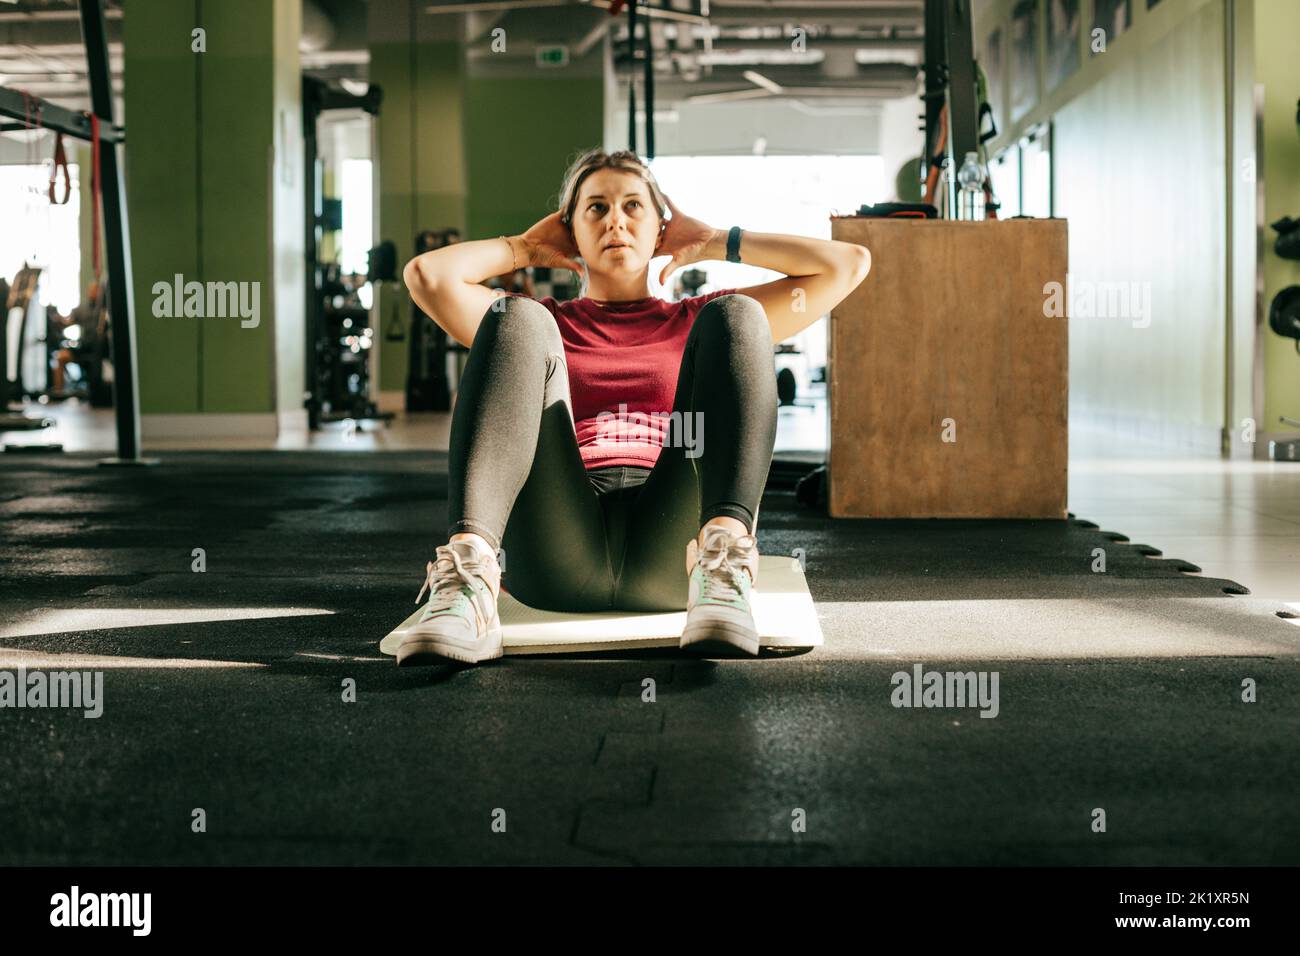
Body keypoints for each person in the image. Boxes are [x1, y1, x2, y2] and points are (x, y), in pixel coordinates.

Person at [400, 147, 870, 665]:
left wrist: (716, 241)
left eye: (633, 207)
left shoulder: (696, 321)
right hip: (557, 547)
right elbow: (427, 276)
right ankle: (470, 580)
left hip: (675, 545)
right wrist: (524, 247)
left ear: (661, 230)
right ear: (569, 230)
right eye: (595, 209)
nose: (615, 222)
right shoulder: (544, 328)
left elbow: (847, 264)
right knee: (515, 316)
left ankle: (723, 569)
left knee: (737, 314)